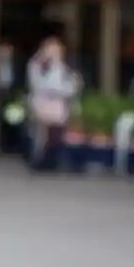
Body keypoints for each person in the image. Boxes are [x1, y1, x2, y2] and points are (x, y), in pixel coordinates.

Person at [26, 37, 78, 172]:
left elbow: (72, 86)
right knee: (41, 135)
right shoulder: (37, 65)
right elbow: (39, 85)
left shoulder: (65, 67)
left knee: (57, 135)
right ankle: (38, 162)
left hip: (58, 107)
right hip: (42, 104)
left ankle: (52, 162)